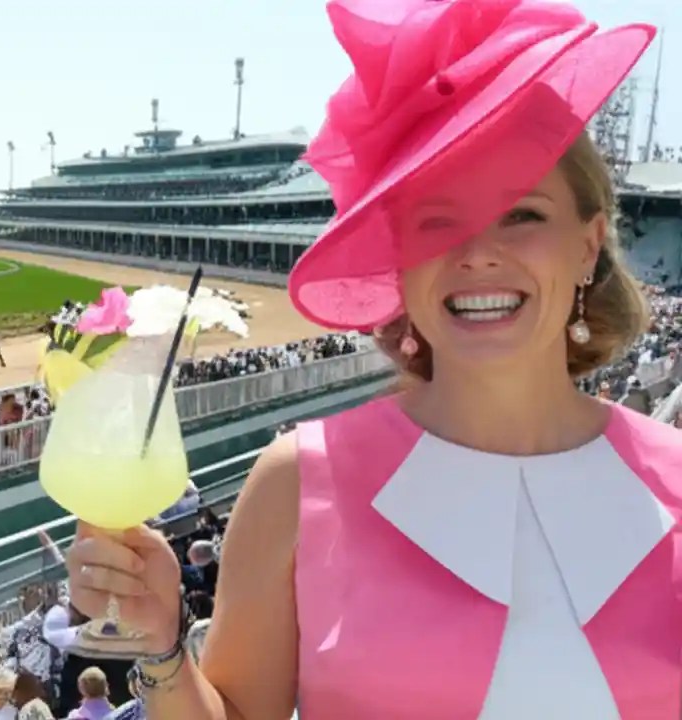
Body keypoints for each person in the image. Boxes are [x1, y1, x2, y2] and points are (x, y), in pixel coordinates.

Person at [64, 3, 679, 718]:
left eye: (522, 214)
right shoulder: (296, 482)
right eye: (438, 219)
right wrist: (164, 647)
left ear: (586, 243)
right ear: (399, 260)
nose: (477, 252)